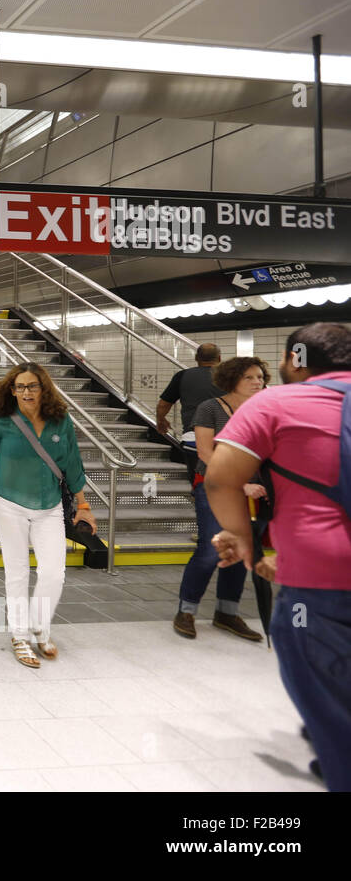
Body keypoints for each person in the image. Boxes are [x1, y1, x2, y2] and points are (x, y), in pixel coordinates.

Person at [208, 323, 351, 791]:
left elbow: (221, 477)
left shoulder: (276, 403)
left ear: (297, 359)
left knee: (324, 686)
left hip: (320, 580)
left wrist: (241, 537)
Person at [0, 363, 97, 668]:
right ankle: (20, 635)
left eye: (32, 386)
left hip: (49, 506)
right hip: (8, 505)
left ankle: (40, 626)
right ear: (12, 390)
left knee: (54, 573)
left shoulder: (60, 420)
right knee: (17, 571)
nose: (26, 392)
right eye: (20, 387)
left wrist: (83, 506)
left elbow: (72, 463)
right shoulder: (1, 420)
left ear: (44, 388)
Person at [172, 357, 269, 642]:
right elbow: (205, 453)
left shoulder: (263, 411)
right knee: (210, 550)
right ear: (232, 380)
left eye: (260, 377)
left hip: (256, 491)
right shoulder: (210, 408)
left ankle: (227, 612)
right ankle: (186, 611)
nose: (257, 382)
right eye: (250, 377)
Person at [157, 343, 223, 484]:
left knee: (198, 483)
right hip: (227, 439)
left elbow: (164, 404)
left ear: (196, 358)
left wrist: (161, 420)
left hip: (194, 439)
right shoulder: (231, 377)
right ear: (219, 358)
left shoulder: (182, 376)